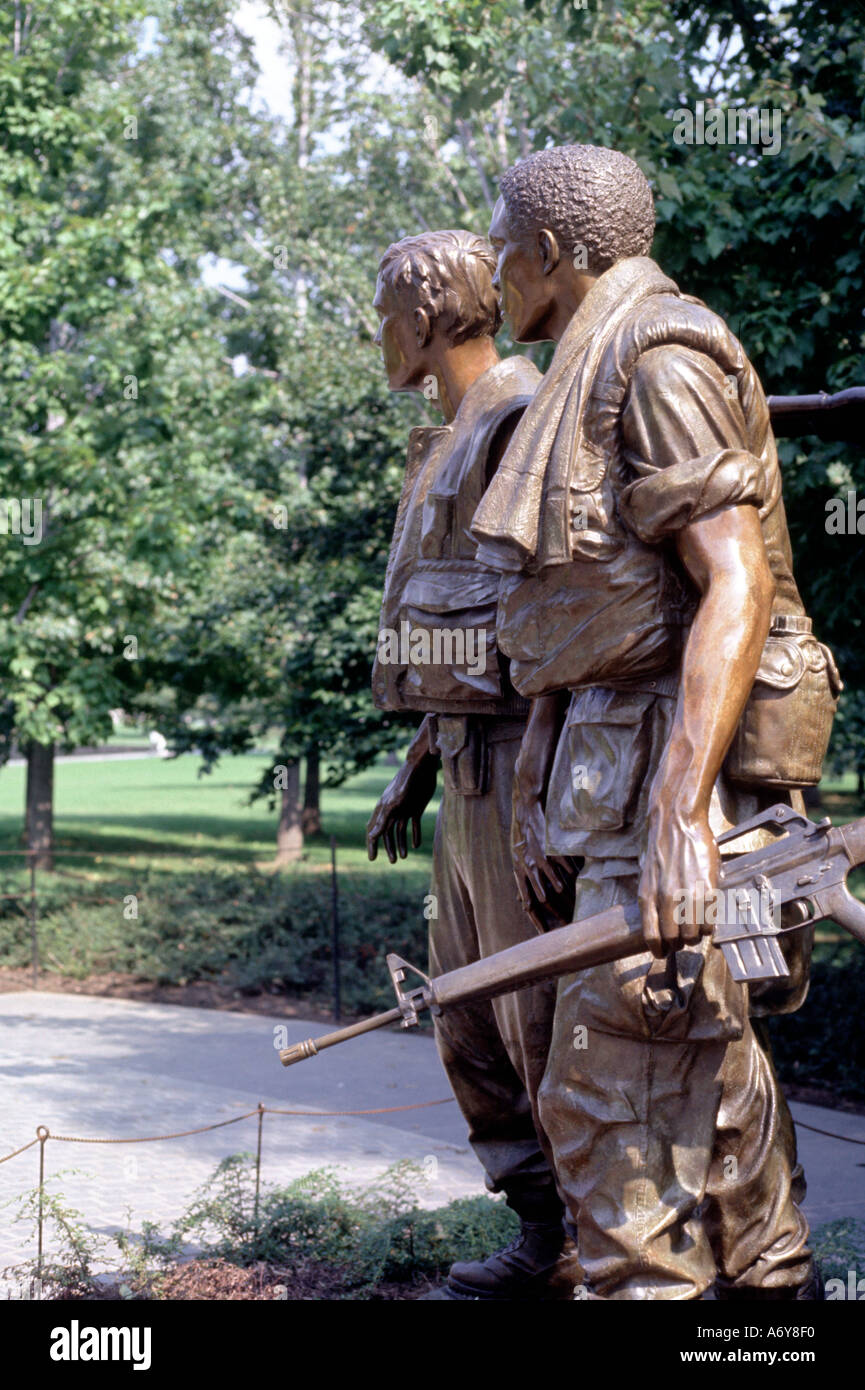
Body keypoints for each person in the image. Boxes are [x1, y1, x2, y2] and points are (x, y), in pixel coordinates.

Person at [471, 145, 834, 1300]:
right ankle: (766, 1304)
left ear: (555, 253)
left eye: (503, 243)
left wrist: (680, 810)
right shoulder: (588, 360)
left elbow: (735, 582)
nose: (492, 267)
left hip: (682, 784)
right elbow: (584, 620)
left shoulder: (659, 353)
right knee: (707, 1079)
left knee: (610, 1085)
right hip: (615, 768)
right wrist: (537, 781)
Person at [367, 229, 580, 1300]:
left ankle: (595, 1243)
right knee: (465, 1015)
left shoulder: (516, 413)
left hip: (513, 765)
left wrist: (537, 785)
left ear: (426, 313)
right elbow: (453, 618)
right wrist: (416, 757)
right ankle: (541, 1228)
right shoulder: (448, 432)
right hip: (460, 761)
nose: (378, 335)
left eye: (383, 312)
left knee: (528, 1012)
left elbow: (543, 610)